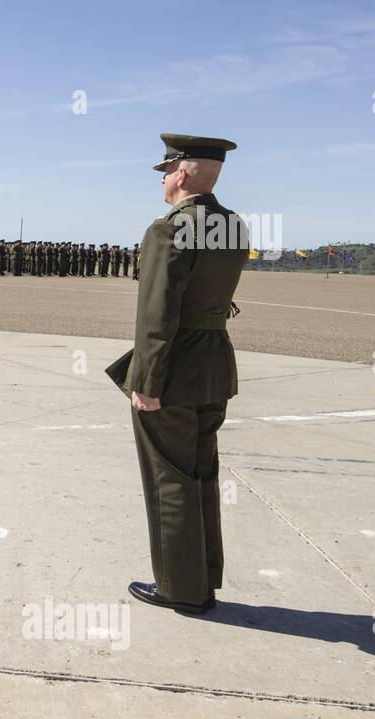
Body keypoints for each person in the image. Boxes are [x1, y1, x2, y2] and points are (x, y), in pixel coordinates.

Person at [106, 133, 247, 615]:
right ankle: (201, 578)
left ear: (182, 173)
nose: (164, 179)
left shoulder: (169, 228)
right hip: (213, 362)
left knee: (170, 478)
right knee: (201, 471)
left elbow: (157, 314)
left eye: (166, 171)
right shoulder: (233, 225)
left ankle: (180, 588)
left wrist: (146, 381)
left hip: (175, 368)